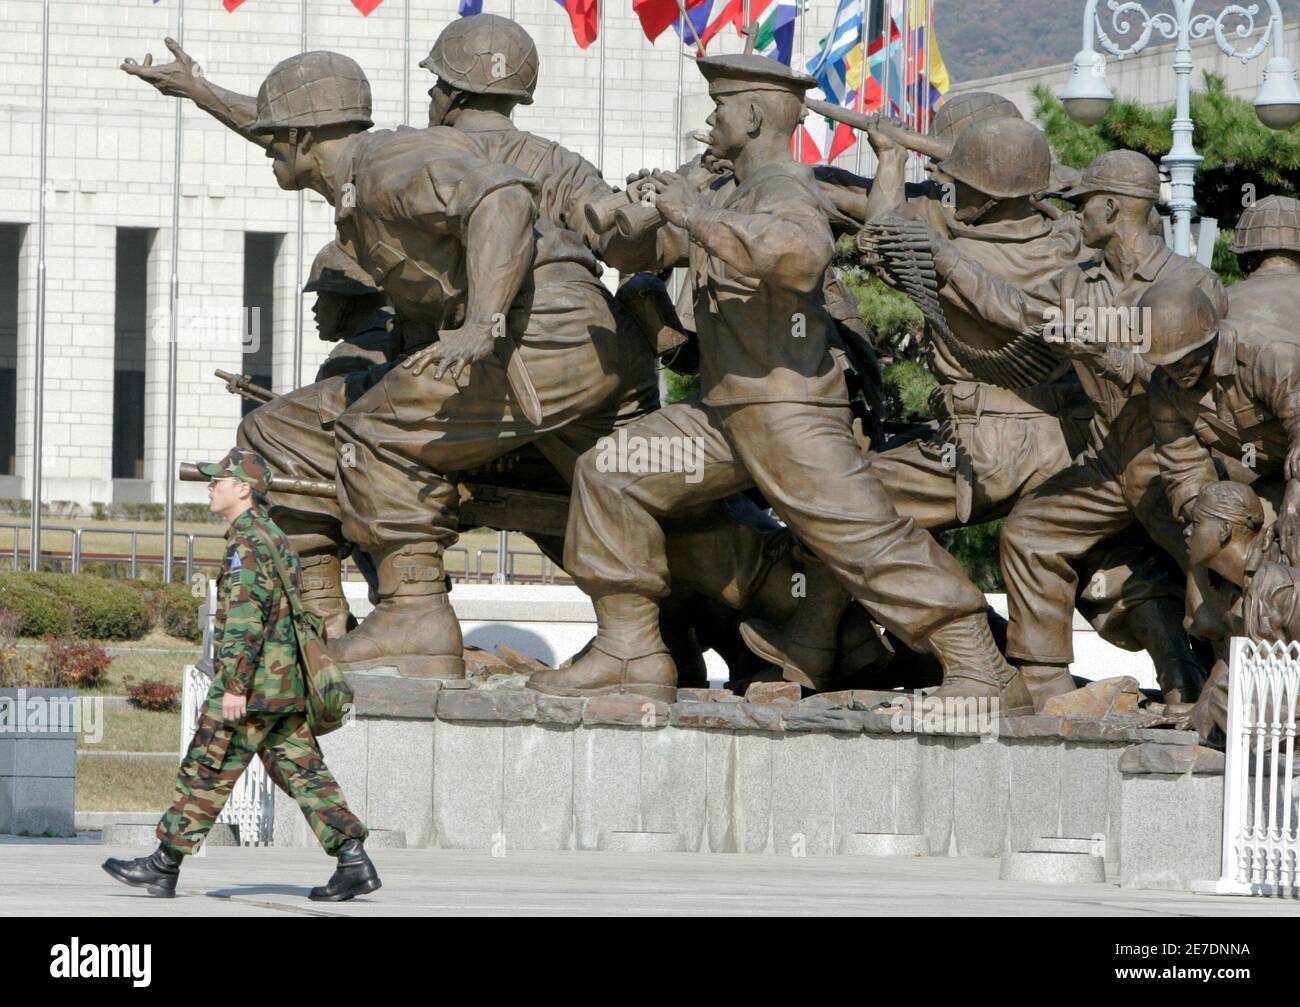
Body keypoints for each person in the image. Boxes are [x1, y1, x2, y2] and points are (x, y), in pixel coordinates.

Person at [528, 53, 1031, 712]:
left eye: (721, 106)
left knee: (866, 542)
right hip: (726, 421)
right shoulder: (728, 194)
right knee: (610, 471)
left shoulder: (786, 190)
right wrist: (654, 208)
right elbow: (628, 251)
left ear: (755, 115)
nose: (711, 118)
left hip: (791, 415)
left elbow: (800, 255)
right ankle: (629, 650)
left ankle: (982, 669)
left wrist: (695, 218)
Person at [102, 448, 378, 902]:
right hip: (281, 687)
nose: (211, 486)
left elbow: (246, 621)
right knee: (305, 772)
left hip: (252, 689)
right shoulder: (274, 536)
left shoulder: (247, 544)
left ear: (244, 489)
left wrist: (234, 685)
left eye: (219, 480)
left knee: (207, 766)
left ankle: (163, 864)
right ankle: (352, 859)